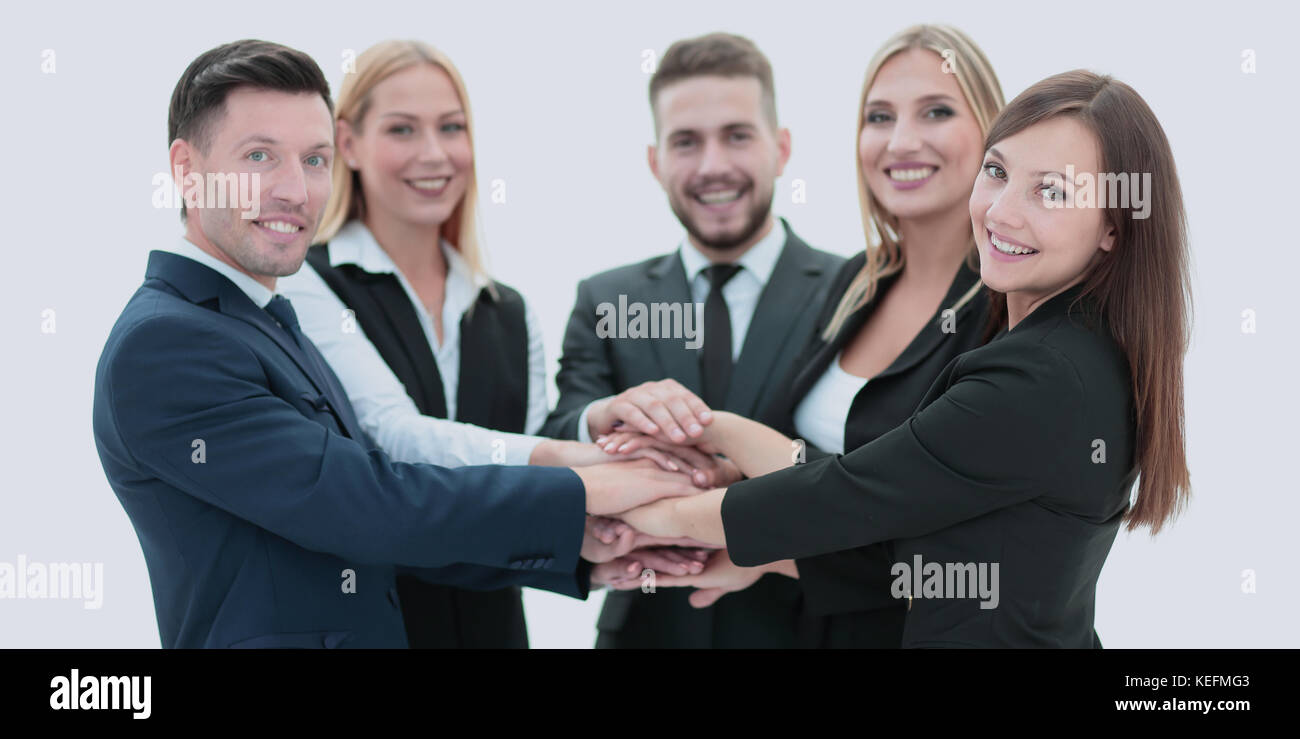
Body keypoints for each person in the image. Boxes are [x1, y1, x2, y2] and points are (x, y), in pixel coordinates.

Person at [91, 39, 698, 649]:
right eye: (259, 156)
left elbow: (363, 530)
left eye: (313, 159)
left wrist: (581, 553)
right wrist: (583, 488)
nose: (295, 192)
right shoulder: (168, 343)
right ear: (186, 171)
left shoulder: (262, 318)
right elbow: (366, 504)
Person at [615, 69, 1193, 648]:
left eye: (1052, 191)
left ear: (1113, 227)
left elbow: (845, 496)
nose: (1000, 213)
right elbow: (904, 530)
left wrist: (624, 511)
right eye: (996, 172)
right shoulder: (1071, 349)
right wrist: (715, 434)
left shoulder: (1042, 376)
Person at [277, 40, 719, 649]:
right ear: (346, 142)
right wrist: (590, 469)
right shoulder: (307, 284)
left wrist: (601, 432)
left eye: (451, 128)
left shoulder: (505, 308)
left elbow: (530, 438)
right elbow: (393, 439)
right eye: (403, 129)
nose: (434, 153)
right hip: (377, 627)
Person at [540, 32, 845, 649]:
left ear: (781, 148)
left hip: (807, 629)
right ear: (655, 162)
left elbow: (881, 460)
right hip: (643, 630)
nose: (712, 166)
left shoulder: (855, 292)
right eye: (686, 142)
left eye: (737, 135)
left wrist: (736, 470)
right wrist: (604, 417)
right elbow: (556, 436)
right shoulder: (606, 297)